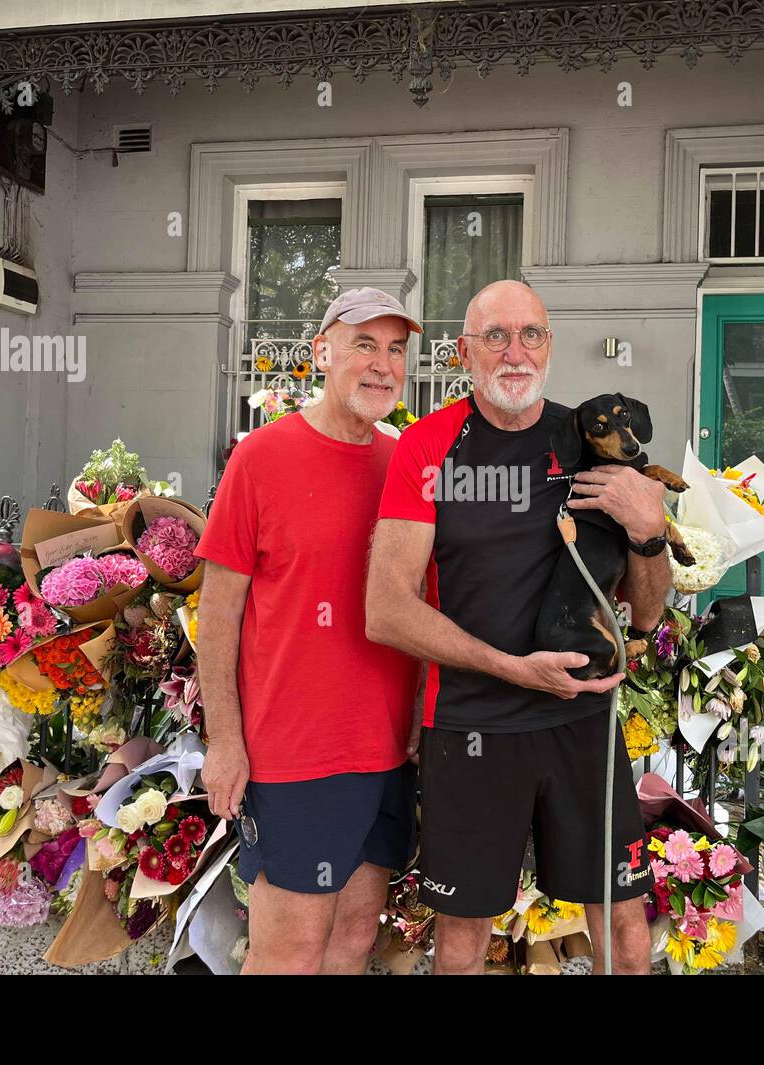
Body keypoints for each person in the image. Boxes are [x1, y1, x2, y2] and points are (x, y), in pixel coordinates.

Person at [365, 279, 671, 975]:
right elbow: (385, 607)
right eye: (495, 336)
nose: (515, 351)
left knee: (625, 931)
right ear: (464, 352)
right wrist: (511, 667)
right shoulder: (428, 448)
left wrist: (650, 533)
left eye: (530, 333)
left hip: (584, 723)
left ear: (550, 346)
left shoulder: (590, 439)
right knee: (464, 941)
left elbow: (646, 613)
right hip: (474, 723)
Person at [196, 288, 422, 974]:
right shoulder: (261, 457)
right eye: (364, 345)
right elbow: (217, 614)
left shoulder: (406, 465)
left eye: (396, 349)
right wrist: (226, 739)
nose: (383, 365)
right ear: (322, 353)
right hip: (294, 754)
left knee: (354, 939)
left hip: (386, 753)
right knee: (289, 952)